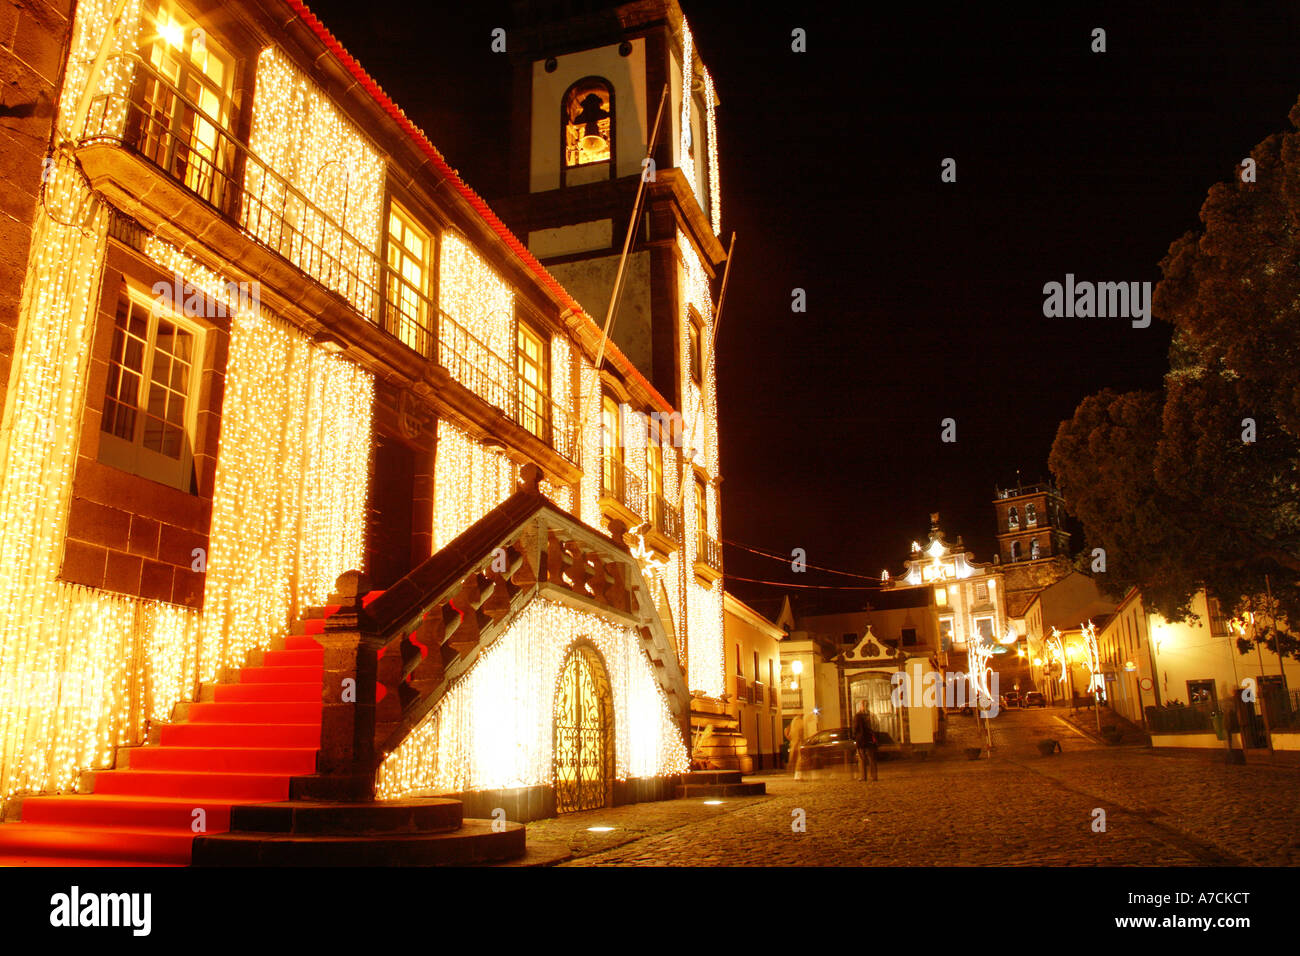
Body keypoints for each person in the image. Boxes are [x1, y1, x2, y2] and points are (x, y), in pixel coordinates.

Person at [852, 701, 878, 782]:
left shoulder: (857, 716)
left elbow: (855, 728)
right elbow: (876, 725)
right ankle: (874, 776)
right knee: (872, 759)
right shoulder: (871, 715)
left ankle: (864, 777)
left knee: (862, 759)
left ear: (861, 706)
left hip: (861, 740)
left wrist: (854, 736)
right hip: (869, 739)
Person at [786, 714, 806, 780]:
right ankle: (798, 776)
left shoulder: (793, 723)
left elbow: (788, 734)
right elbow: (800, 734)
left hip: (793, 744)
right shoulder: (799, 722)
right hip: (798, 744)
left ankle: (797, 775)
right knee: (799, 760)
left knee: (796, 760)